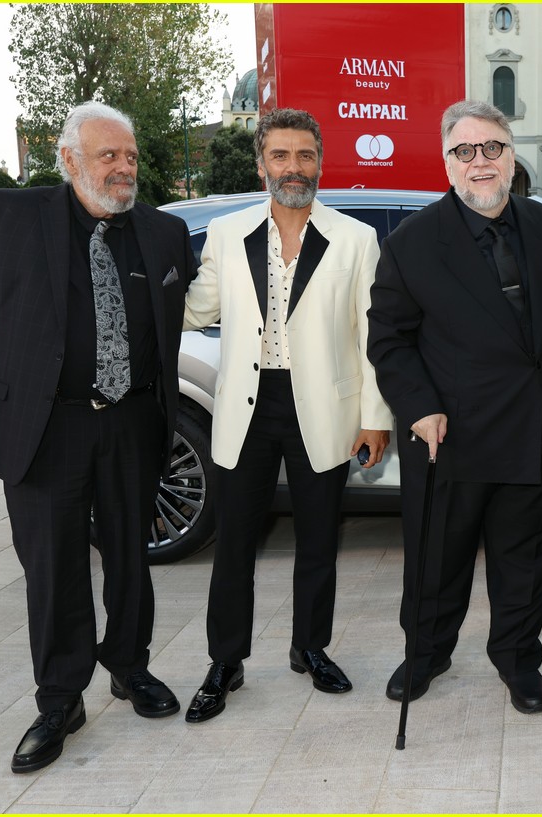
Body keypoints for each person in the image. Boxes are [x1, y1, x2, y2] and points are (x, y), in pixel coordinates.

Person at [0, 101, 193, 773]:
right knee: (53, 566)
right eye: (109, 156)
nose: (124, 167)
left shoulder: (162, 232)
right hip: (45, 425)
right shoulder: (9, 216)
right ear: (70, 159)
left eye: (130, 156)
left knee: (130, 557)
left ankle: (129, 667)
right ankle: (60, 699)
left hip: (132, 421)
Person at [180, 108, 393, 723]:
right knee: (234, 545)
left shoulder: (356, 239)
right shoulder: (228, 233)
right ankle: (226, 661)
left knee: (319, 540)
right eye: (280, 155)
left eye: (304, 155)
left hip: (323, 407)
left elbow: (371, 337)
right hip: (246, 407)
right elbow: (196, 309)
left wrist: (375, 417)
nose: (292, 167)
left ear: (320, 162)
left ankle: (311, 647)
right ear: (261, 165)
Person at [367, 99, 542, 714]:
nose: (481, 161)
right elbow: (388, 339)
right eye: (465, 151)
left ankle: (518, 659)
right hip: (449, 435)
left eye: (492, 148)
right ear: (447, 162)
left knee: (525, 561)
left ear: (511, 155)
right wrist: (419, 406)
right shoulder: (412, 242)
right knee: (437, 560)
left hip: (533, 430)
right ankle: (426, 654)